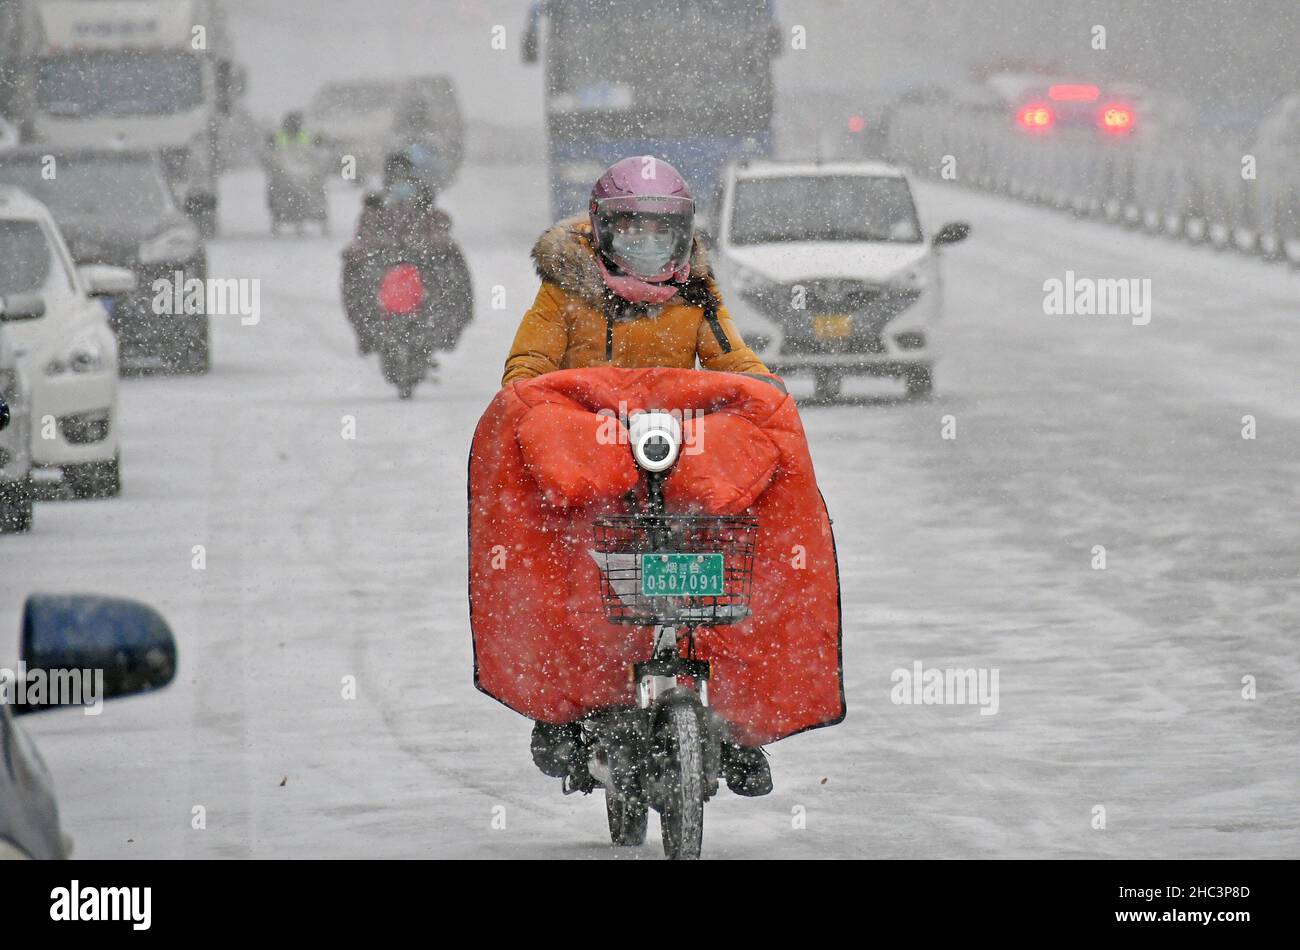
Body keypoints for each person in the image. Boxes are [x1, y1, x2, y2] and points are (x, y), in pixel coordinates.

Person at [508, 157, 775, 796]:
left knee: (722, 584)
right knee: (573, 593)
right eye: (632, 232)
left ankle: (737, 725)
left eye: (662, 234)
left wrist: (763, 391)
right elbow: (526, 365)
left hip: (673, 466)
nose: (647, 246)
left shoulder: (697, 295)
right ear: (602, 232)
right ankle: (566, 713)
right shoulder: (563, 291)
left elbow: (734, 359)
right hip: (591, 473)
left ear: (682, 238)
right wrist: (548, 408)